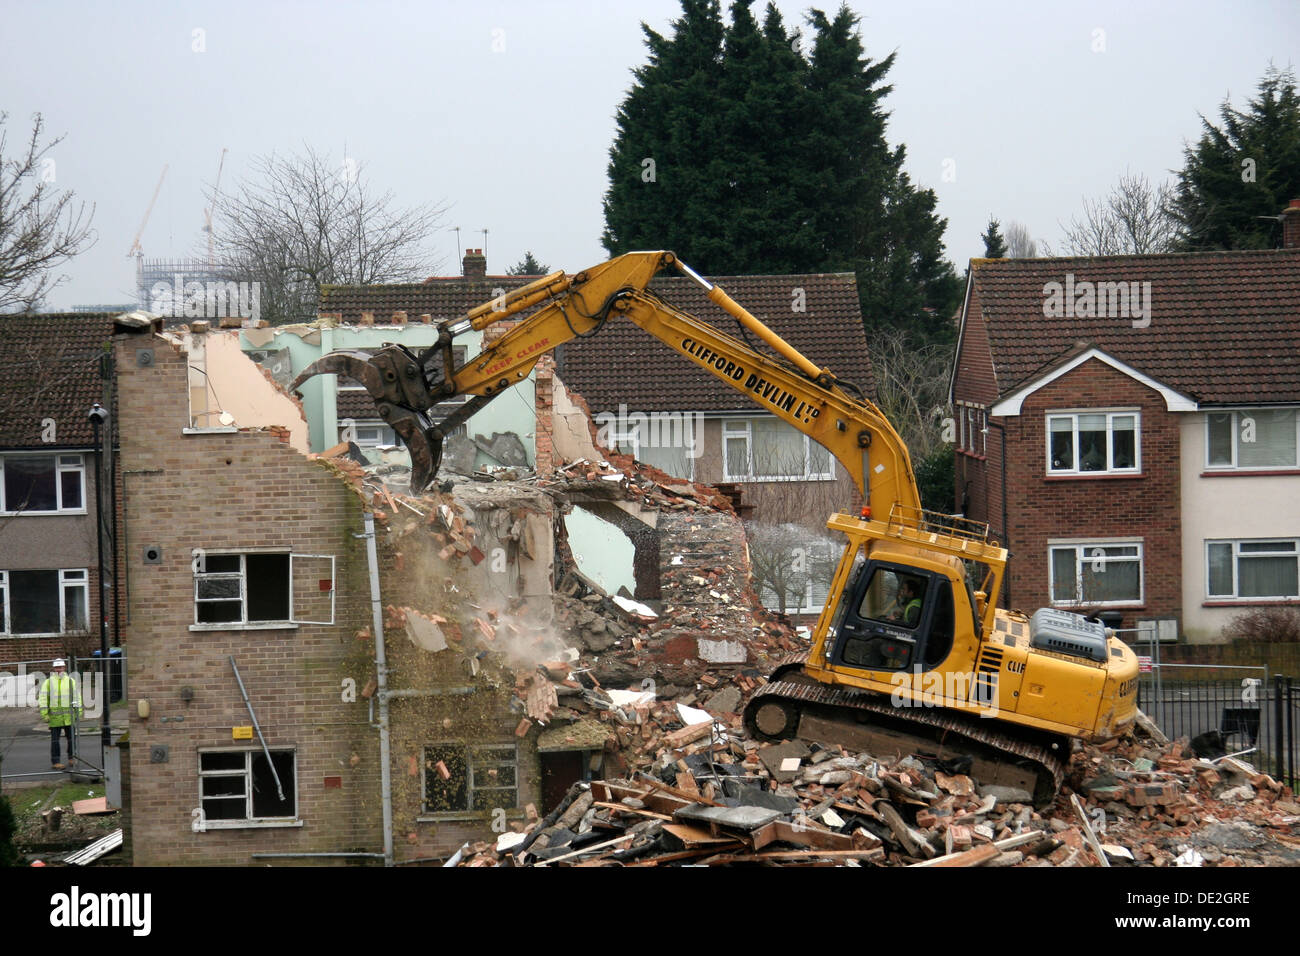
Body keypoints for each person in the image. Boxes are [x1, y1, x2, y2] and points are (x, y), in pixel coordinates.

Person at [38, 659, 80, 770]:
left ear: (64, 668)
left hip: (68, 716)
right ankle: (56, 762)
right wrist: (44, 714)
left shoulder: (71, 681)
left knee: (72, 739)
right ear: (54, 669)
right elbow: (43, 698)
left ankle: (72, 758)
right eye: (57, 668)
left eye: (61, 667)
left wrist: (78, 712)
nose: (59, 669)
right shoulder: (48, 682)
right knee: (55, 741)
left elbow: (76, 697)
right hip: (55, 717)